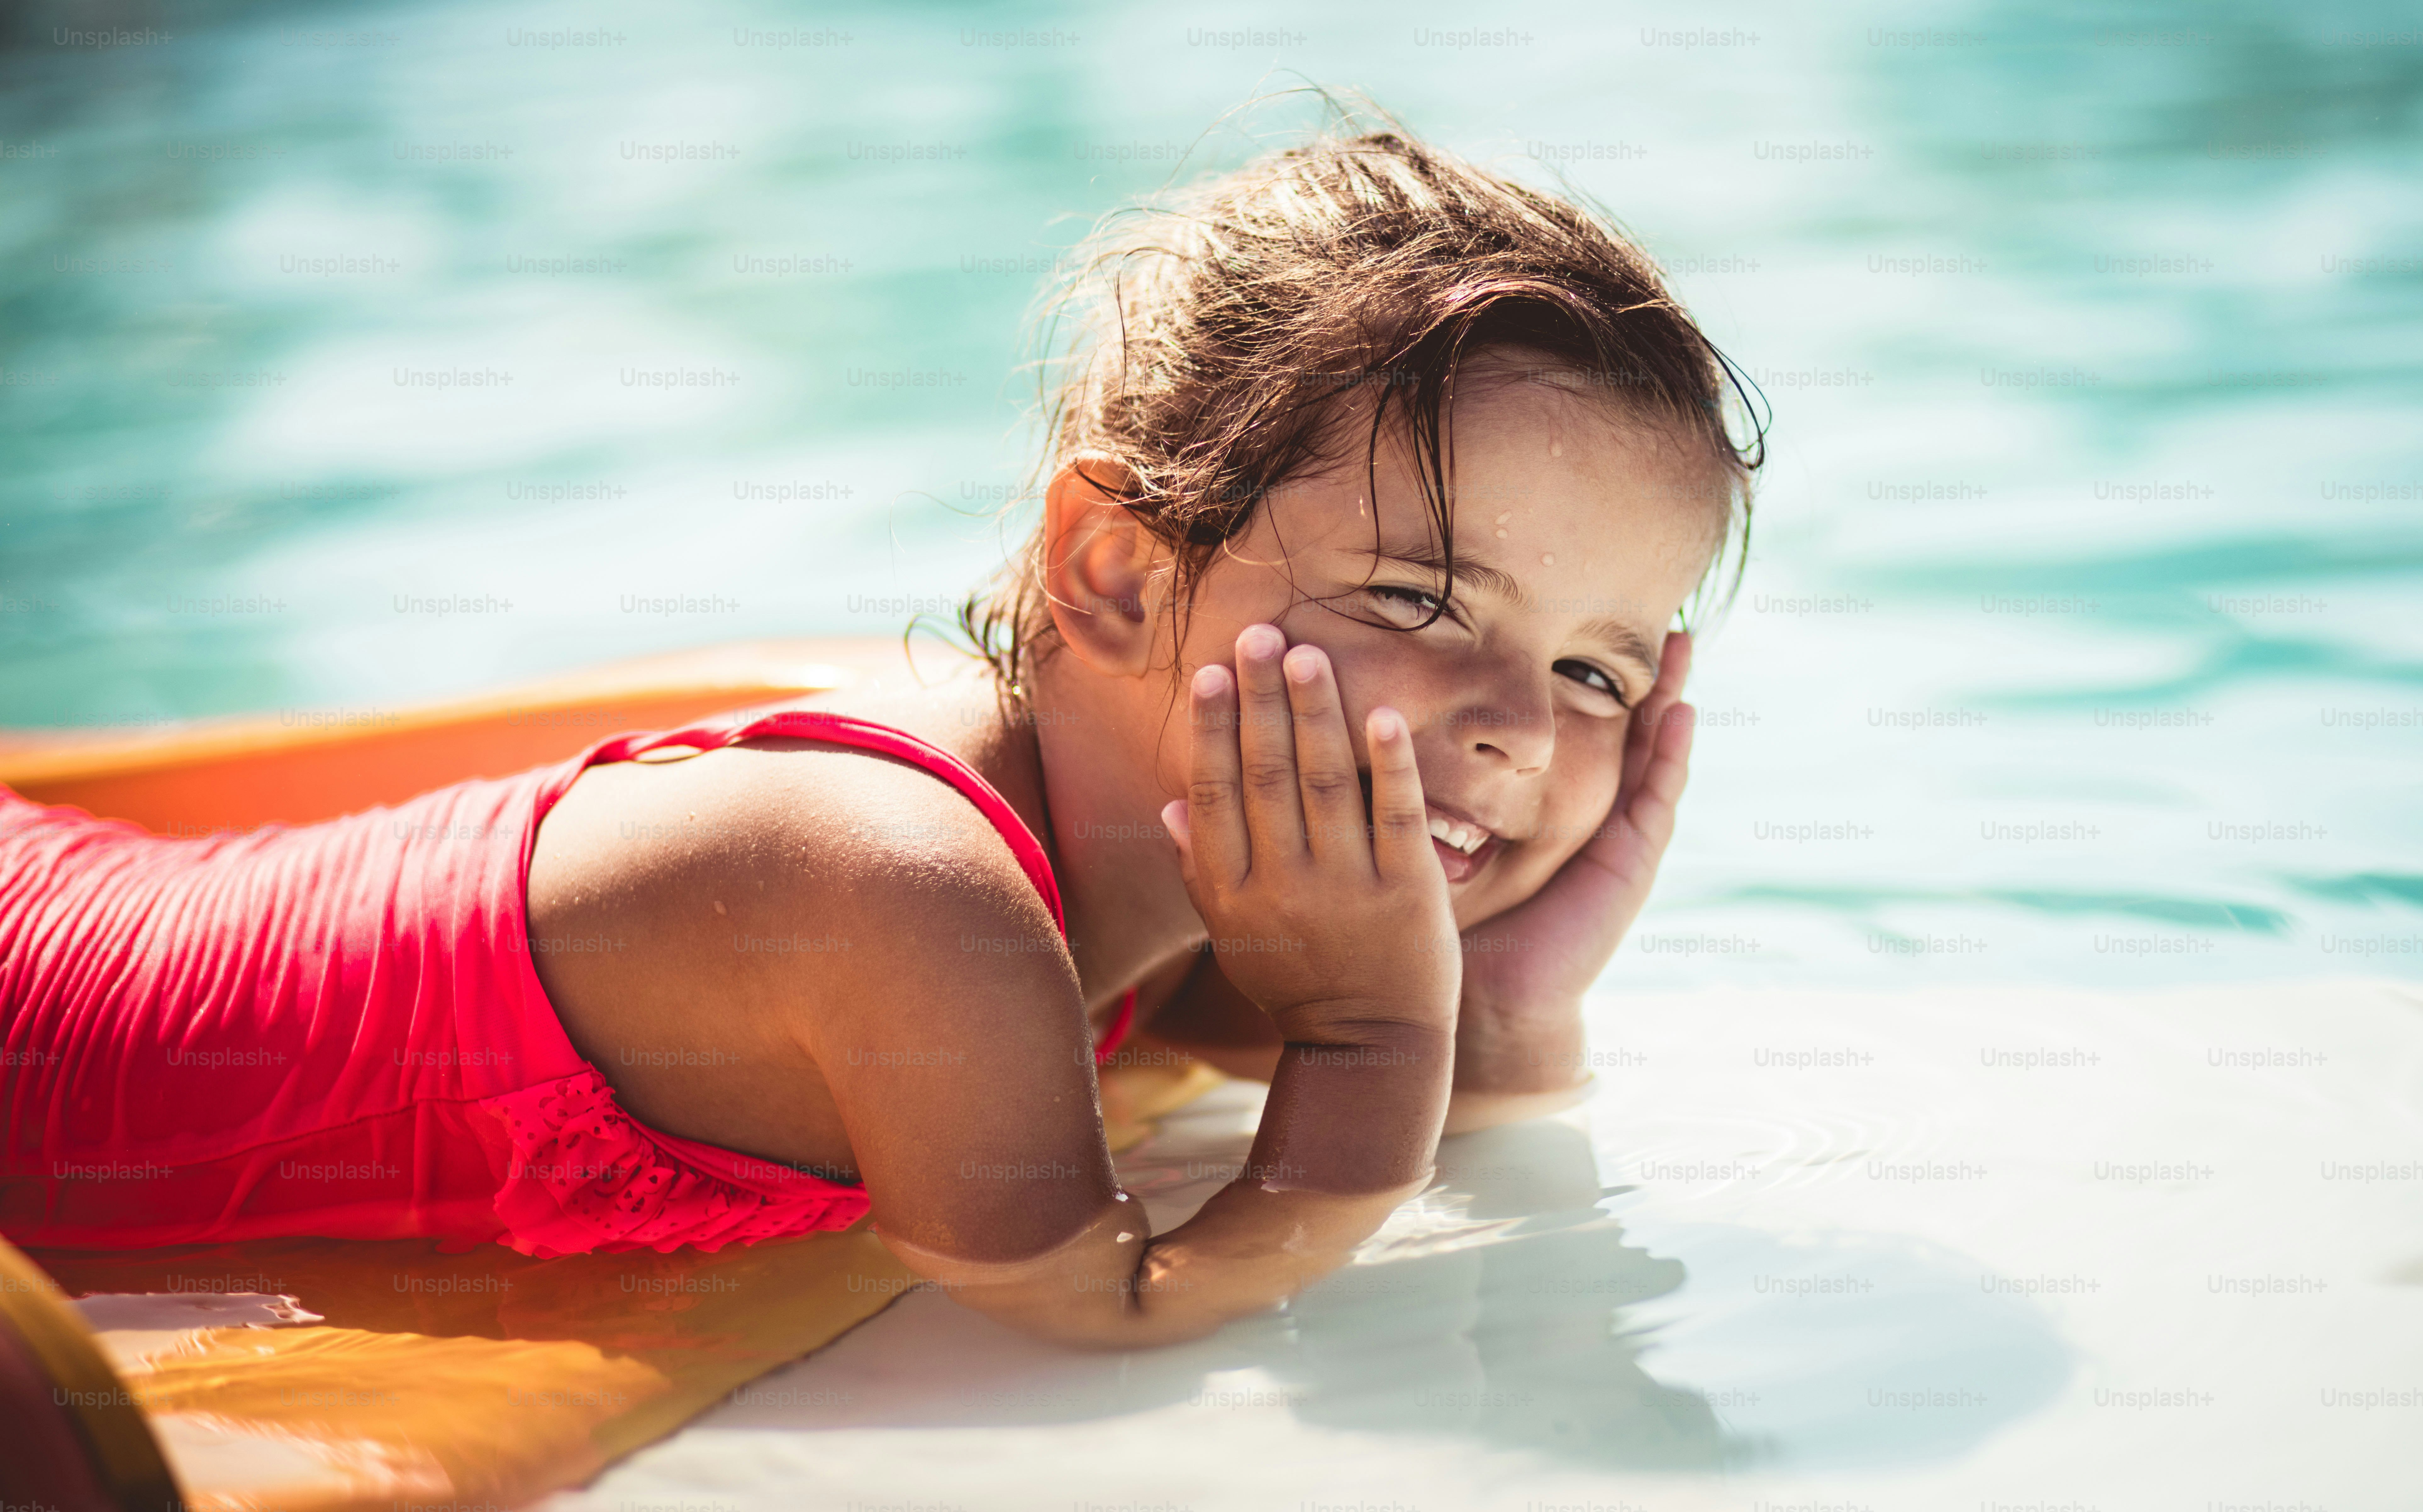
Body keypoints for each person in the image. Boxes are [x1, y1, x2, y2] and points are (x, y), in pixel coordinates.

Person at [0, 122, 1757, 1348]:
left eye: (1598, 672)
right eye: (1421, 602)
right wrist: (1380, 1034)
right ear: (1118, 576)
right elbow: (1092, 1309)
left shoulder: (1156, 891)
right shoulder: (902, 897)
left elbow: (1417, 1120)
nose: (1519, 732)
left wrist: (1506, 998)